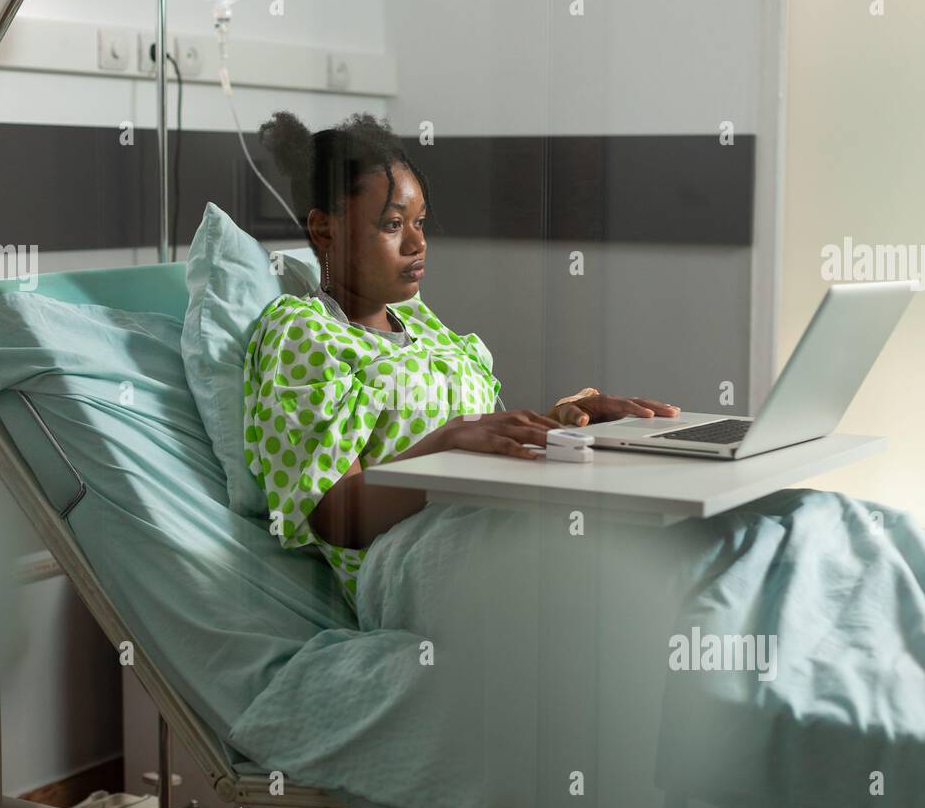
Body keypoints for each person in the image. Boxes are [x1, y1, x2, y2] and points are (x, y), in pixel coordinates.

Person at [243, 111, 679, 606]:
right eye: (392, 224)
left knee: (720, 538)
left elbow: (482, 437)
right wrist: (445, 445)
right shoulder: (304, 332)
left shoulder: (425, 328)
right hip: (410, 562)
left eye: (419, 222)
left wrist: (562, 421)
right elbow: (335, 517)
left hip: (492, 521)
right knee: (657, 573)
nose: (418, 242)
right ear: (324, 231)